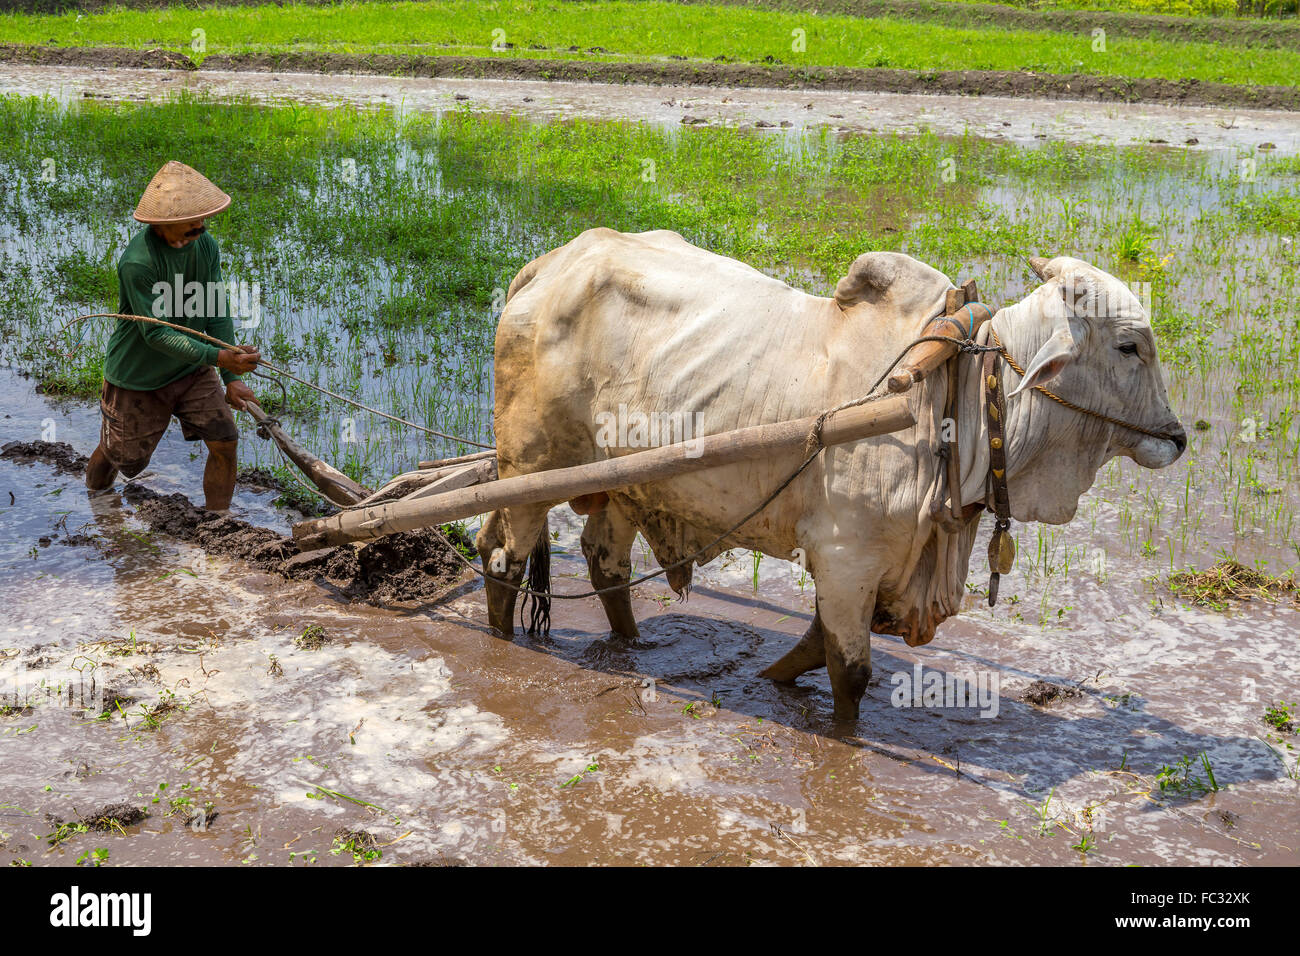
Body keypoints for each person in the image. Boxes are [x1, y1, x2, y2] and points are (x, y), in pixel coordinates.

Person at [85, 161, 261, 512]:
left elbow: (215, 308)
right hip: (140, 377)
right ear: (161, 224)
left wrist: (230, 375)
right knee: (123, 457)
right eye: (192, 223)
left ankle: (218, 522)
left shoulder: (205, 246)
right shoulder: (138, 263)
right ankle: (97, 503)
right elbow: (156, 336)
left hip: (191, 369)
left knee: (224, 439)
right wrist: (218, 358)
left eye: (202, 221)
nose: (200, 228)